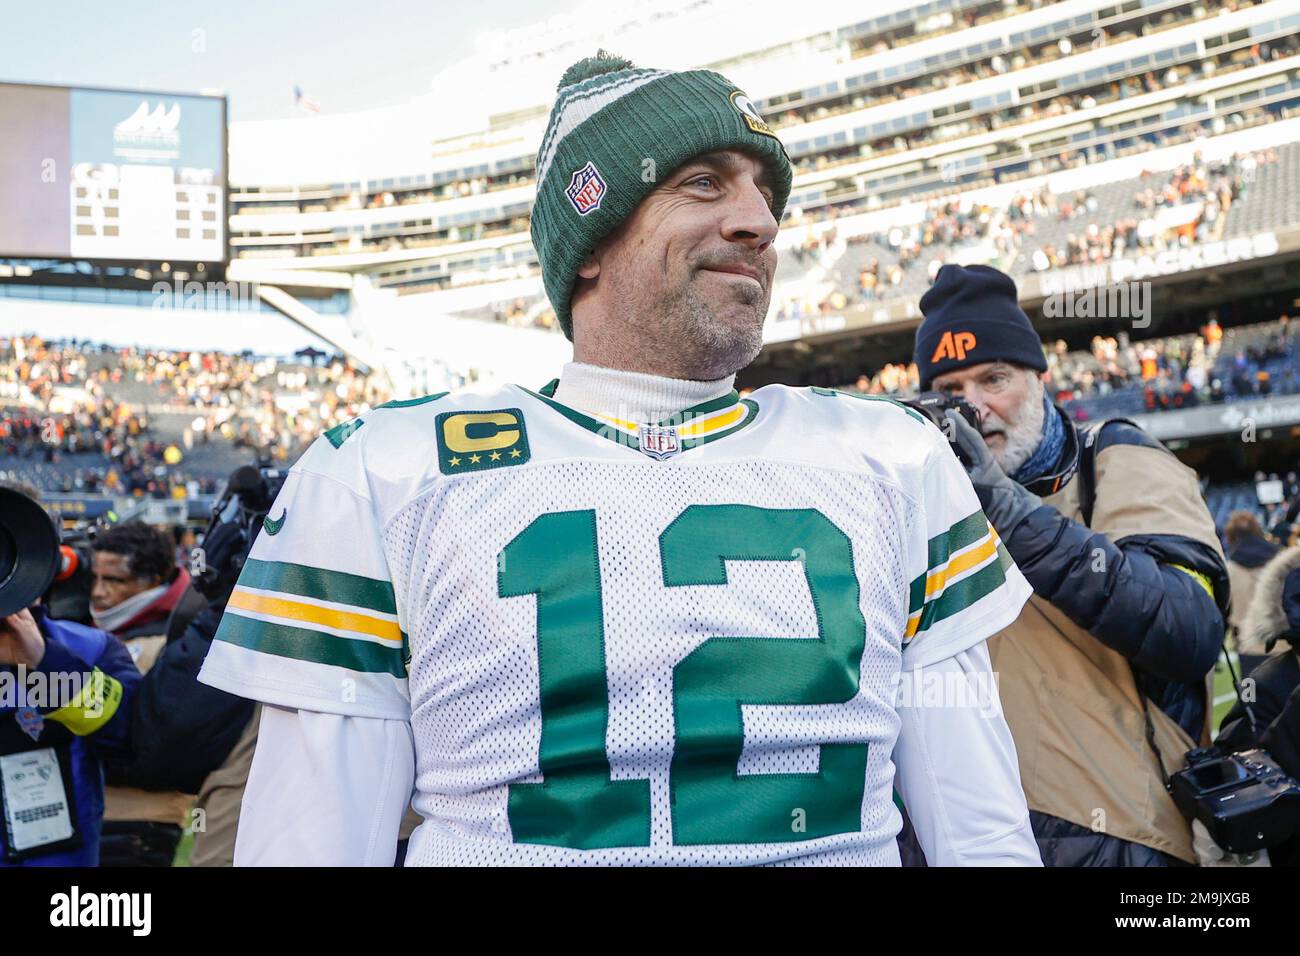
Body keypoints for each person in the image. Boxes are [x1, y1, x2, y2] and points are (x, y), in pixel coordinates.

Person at [201, 51, 1040, 866]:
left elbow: (983, 831)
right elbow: (311, 842)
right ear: (592, 236)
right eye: (704, 183)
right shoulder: (378, 474)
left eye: (764, 193)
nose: (760, 222)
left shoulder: (895, 458)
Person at [916, 264, 1230, 866]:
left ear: (1040, 377)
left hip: (1128, 836)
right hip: (975, 835)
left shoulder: (1115, 457)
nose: (975, 408)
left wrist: (1002, 508)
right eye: (952, 392)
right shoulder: (927, 500)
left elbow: (1188, 630)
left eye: (994, 378)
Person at [90, 521, 203, 866]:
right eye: (93, 578)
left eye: (113, 580)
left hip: (141, 821)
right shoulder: (97, 632)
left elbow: (152, 745)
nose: (97, 591)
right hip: (97, 812)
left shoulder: (178, 643)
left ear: (152, 580)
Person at [1223, 510, 1278, 674]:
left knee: (1250, 697)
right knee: (1290, 697)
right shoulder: (1283, 562)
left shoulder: (1229, 571)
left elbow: (1222, 614)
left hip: (1249, 649)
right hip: (1284, 646)